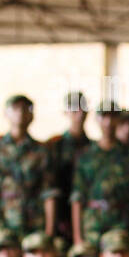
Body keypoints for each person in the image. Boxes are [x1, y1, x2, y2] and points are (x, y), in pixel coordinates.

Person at [0, 94, 58, 241]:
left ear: (32, 115)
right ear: (6, 114)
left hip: (34, 224)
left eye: (25, 109)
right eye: (15, 108)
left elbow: (49, 193)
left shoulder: (41, 150)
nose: (20, 113)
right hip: (1, 222)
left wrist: (48, 232)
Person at [71, 102, 129, 250]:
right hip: (92, 227)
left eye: (113, 116)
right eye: (104, 116)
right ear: (97, 119)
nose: (109, 122)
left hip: (120, 226)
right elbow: (77, 199)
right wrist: (78, 238)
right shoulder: (86, 156)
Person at [46, 91, 92, 245]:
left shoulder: (93, 149)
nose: (78, 114)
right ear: (65, 112)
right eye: (74, 109)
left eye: (82, 108)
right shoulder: (54, 146)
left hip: (87, 220)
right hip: (59, 216)